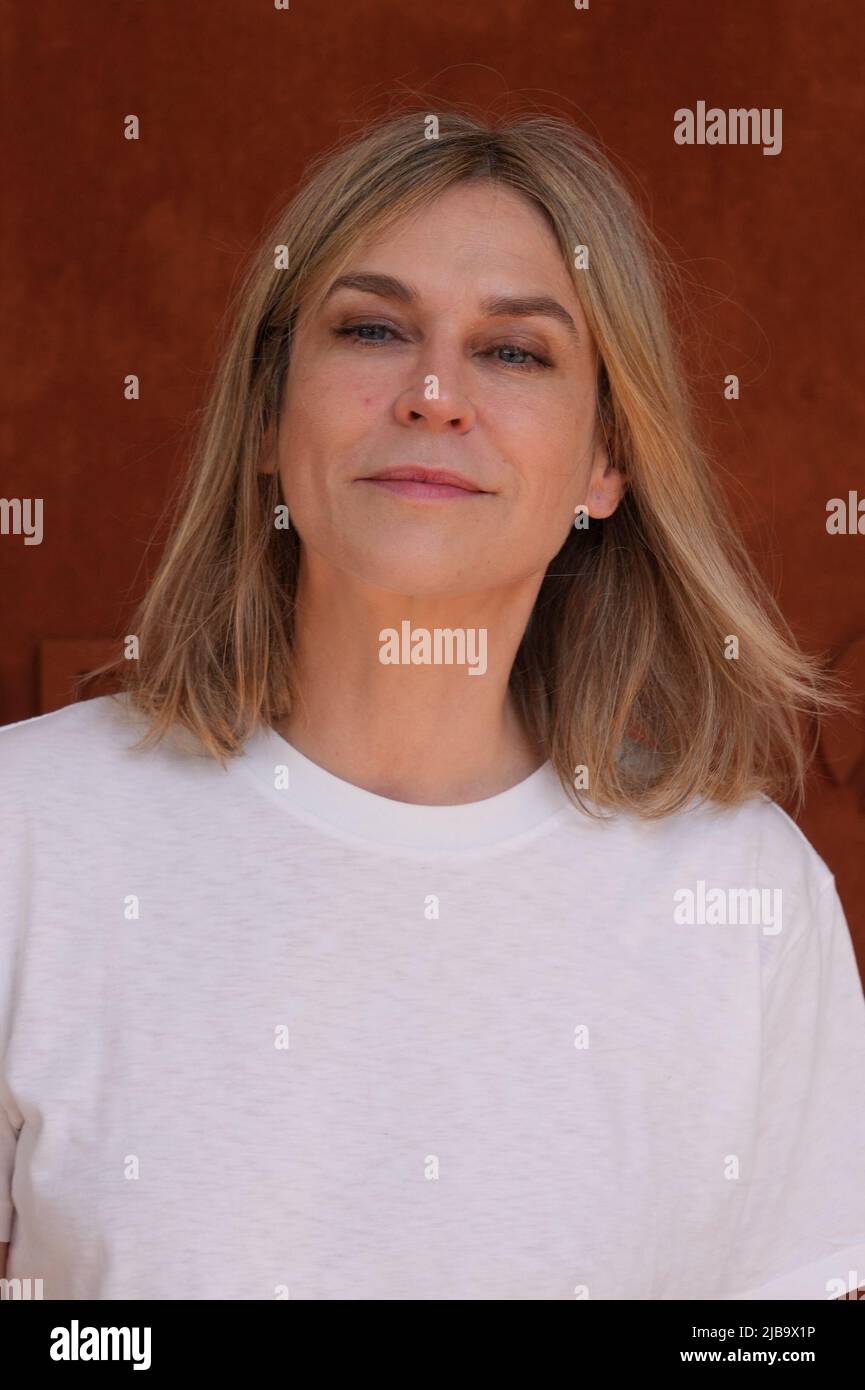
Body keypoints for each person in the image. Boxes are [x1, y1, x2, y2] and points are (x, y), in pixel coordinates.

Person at [2, 108, 864, 1302]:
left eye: (514, 352)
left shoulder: (749, 901)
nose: (432, 392)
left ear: (606, 462)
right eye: (370, 328)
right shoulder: (29, 827)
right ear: (265, 418)